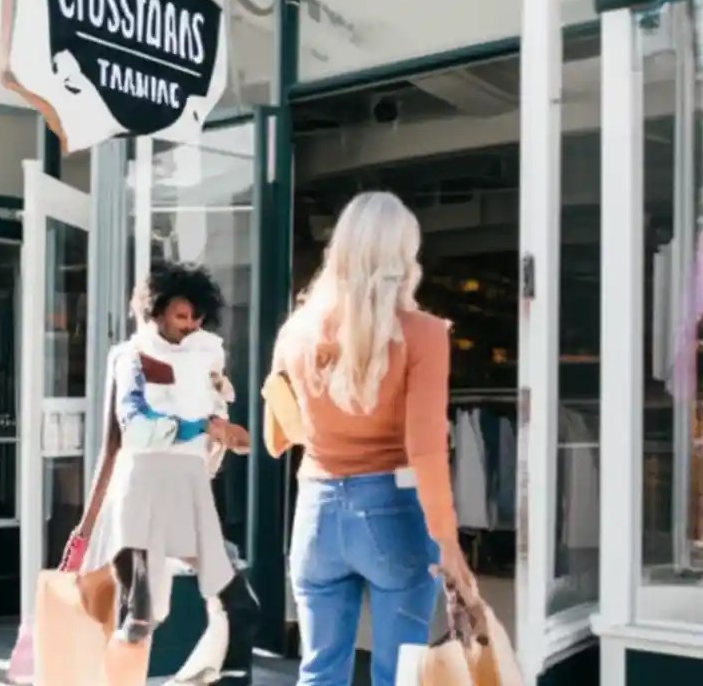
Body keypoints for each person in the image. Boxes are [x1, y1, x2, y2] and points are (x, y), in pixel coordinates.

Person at [264, 191, 480, 686]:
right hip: (394, 511)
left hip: (316, 512)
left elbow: (279, 436)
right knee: (399, 675)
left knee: (319, 671)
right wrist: (449, 544)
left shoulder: (295, 331)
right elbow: (426, 448)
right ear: (403, 255)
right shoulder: (423, 333)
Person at [76, 262, 259, 685]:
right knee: (140, 618)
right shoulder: (131, 357)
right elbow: (128, 435)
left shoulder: (205, 359)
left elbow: (212, 424)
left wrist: (224, 434)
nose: (190, 325)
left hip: (190, 491)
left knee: (240, 608)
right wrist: (85, 527)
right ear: (156, 310)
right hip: (143, 493)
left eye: (197, 317)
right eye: (181, 315)